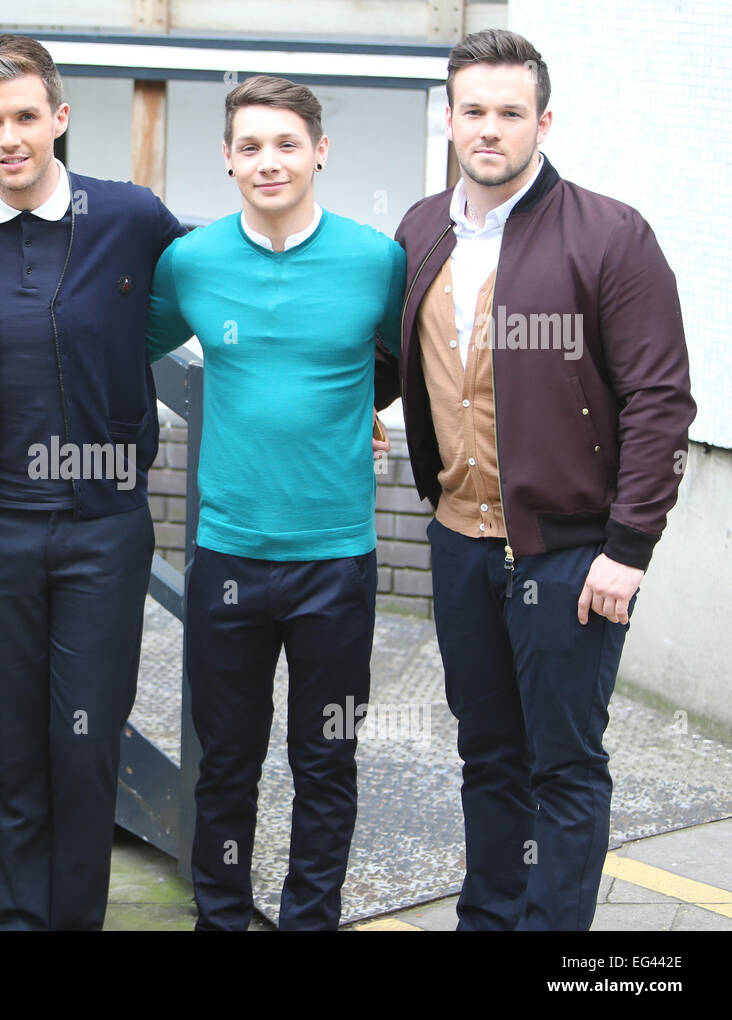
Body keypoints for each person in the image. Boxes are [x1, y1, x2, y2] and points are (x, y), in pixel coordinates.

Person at [385, 29, 695, 930]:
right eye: (473, 110)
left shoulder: (609, 234)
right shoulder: (419, 229)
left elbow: (661, 401)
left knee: (562, 764)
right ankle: (486, 919)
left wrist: (627, 550)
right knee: (487, 754)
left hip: (568, 555)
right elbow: (392, 360)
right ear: (449, 118)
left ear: (542, 121)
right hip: (458, 540)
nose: (490, 129)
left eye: (510, 113)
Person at [0, 33, 184, 930]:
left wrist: (348, 388)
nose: (9, 136)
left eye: (27, 116)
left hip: (103, 532)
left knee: (85, 750)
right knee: (16, 755)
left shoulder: (130, 215)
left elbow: (218, 293)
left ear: (59, 118)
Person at [146, 76, 405, 930]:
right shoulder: (191, 261)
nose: (269, 161)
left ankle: (310, 918)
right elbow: (116, 346)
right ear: (226, 159)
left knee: (326, 758)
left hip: (336, 557)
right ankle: (221, 915)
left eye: (287, 143)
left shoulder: (378, 260)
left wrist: (360, 409)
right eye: (250, 146)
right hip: (227, 554)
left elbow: (410, 359)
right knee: (226, 763)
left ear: (320, 151)